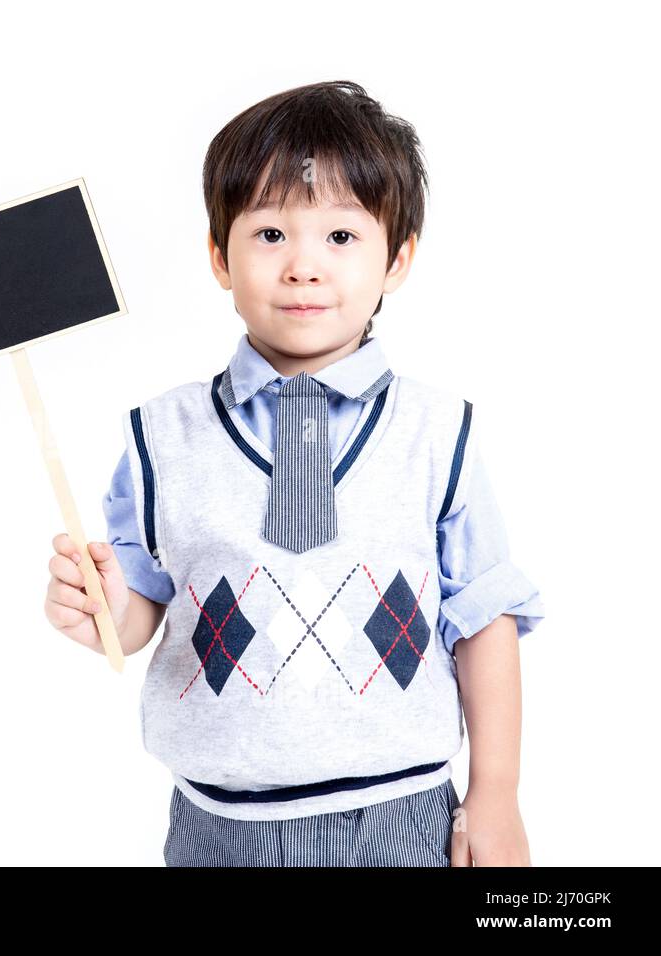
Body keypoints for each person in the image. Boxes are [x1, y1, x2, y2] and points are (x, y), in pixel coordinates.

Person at [43, 80, 544, 867]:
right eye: (270, 233)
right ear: (219, 256)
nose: (304, 267)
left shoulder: (439, 431)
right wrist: (104, 607)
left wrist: (496, 795)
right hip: (215, 829)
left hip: (398, 817)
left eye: (341, 238)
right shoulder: (159, 436)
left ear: (398, 259)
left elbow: (484, 616)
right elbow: (141, 605)